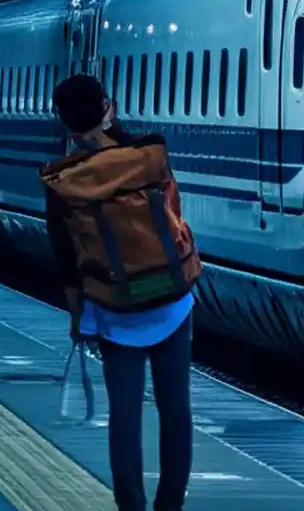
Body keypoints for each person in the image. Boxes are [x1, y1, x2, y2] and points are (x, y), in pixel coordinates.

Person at [42, 74, 198, 511]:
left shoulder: (63, 181)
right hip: (172, 299)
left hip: (116, 309)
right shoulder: (149, 154)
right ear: (108, 108)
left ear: (64, 122)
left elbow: (68, 263)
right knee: (176, 410)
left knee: (125, 417)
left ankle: (131, 505)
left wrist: (78, 319)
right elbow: (175, 217)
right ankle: (170, 505)